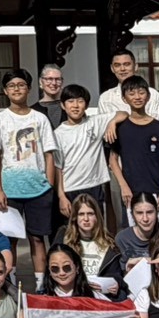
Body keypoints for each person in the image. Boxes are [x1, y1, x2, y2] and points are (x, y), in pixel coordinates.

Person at [0, 68, 56, 287]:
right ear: (5, 92)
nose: (16, 89)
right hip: (10, 189)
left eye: (20, 85)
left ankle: (41, 285)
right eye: (11, 86)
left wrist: (49, 185)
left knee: (37, 238)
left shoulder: (40, 118)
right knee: (9, 241)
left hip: (38, 189)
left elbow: (49, 154)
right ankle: (10, 284)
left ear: (29, 88)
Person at [107, 73, 159, 234]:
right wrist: (124, 187)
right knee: (133, 236)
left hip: (157, 192)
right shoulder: (120, 127)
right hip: (131, 193)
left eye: (141, 92)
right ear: (124, 98)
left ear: (148, 95)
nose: (137, 97)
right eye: (131, 93)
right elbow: (113, 159)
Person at [53, 84, 121, 222]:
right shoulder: (57, 134)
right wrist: (61, 196)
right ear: (63, 105)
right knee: (73, 233)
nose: (75, 105)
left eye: (80, 101)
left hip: (94, 186)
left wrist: (112, 123)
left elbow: (123, 114)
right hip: (70, 189)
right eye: (71, 101)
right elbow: (57, 168)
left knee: (96, 229)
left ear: (86, 104)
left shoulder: (95, 122)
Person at [62, 194, 126, 299]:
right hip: (74, 296)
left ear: (97, 216)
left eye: (90, 214)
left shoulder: (109, 244)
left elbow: (116, 275)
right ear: (75, 218)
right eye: (81, 214)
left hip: (102, 296)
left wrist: (116, 284)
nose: (86, 219)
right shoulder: (65, 242)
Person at [97, 49, 159, 118]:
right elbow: (103, 126)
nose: (122, 69)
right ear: (112, 68)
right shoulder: (106, 98)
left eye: (127, 64)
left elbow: (158, 124)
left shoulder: (153, 95)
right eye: (117, 65)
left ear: (136, 66)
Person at [34, 63, 65, 130]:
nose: (54, 83)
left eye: (57, 79)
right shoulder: (33, 110)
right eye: (49, 79)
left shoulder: (69, 107)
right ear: (41, 81)